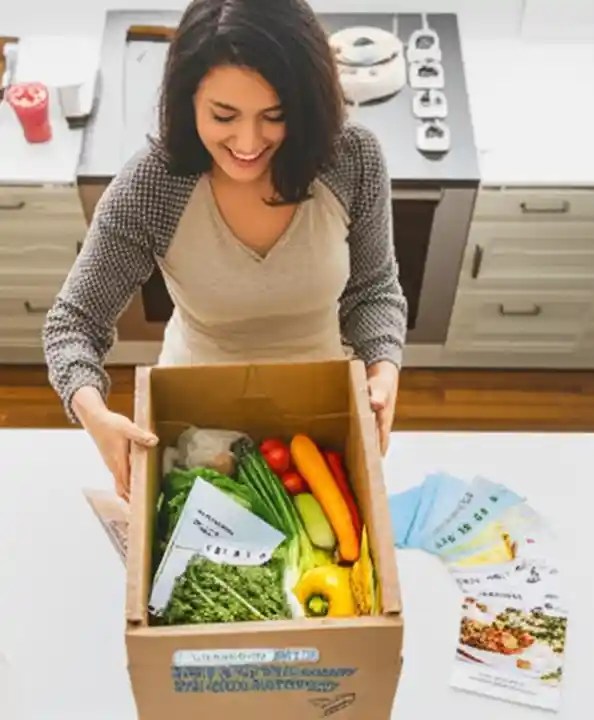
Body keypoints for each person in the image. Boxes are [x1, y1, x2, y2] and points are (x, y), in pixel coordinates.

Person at [42, 0, 408, 500]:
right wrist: (96, 415)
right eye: (224, 115)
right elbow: (73, 323)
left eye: (274, 116)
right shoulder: (156, 184)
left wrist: (382, 373)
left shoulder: (350, 159)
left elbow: (375, 290)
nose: (248, 141)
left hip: (321, 410)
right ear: (188, 101)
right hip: (196, 417)